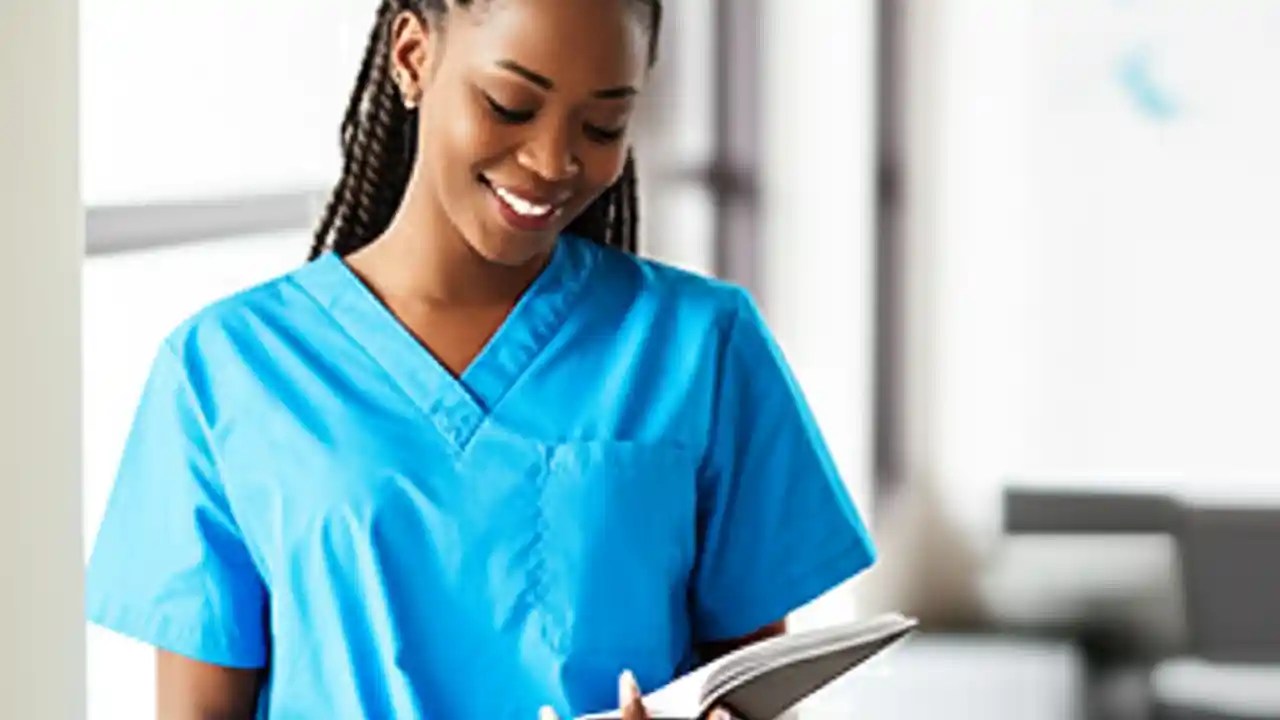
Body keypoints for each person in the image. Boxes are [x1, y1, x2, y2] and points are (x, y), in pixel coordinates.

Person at [84, 1, 876, 718]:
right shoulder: (226, 369)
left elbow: (754, 698)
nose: (555, 161)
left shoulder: (702, 347)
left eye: (603, 127)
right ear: (411, 56)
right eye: (511, 105)